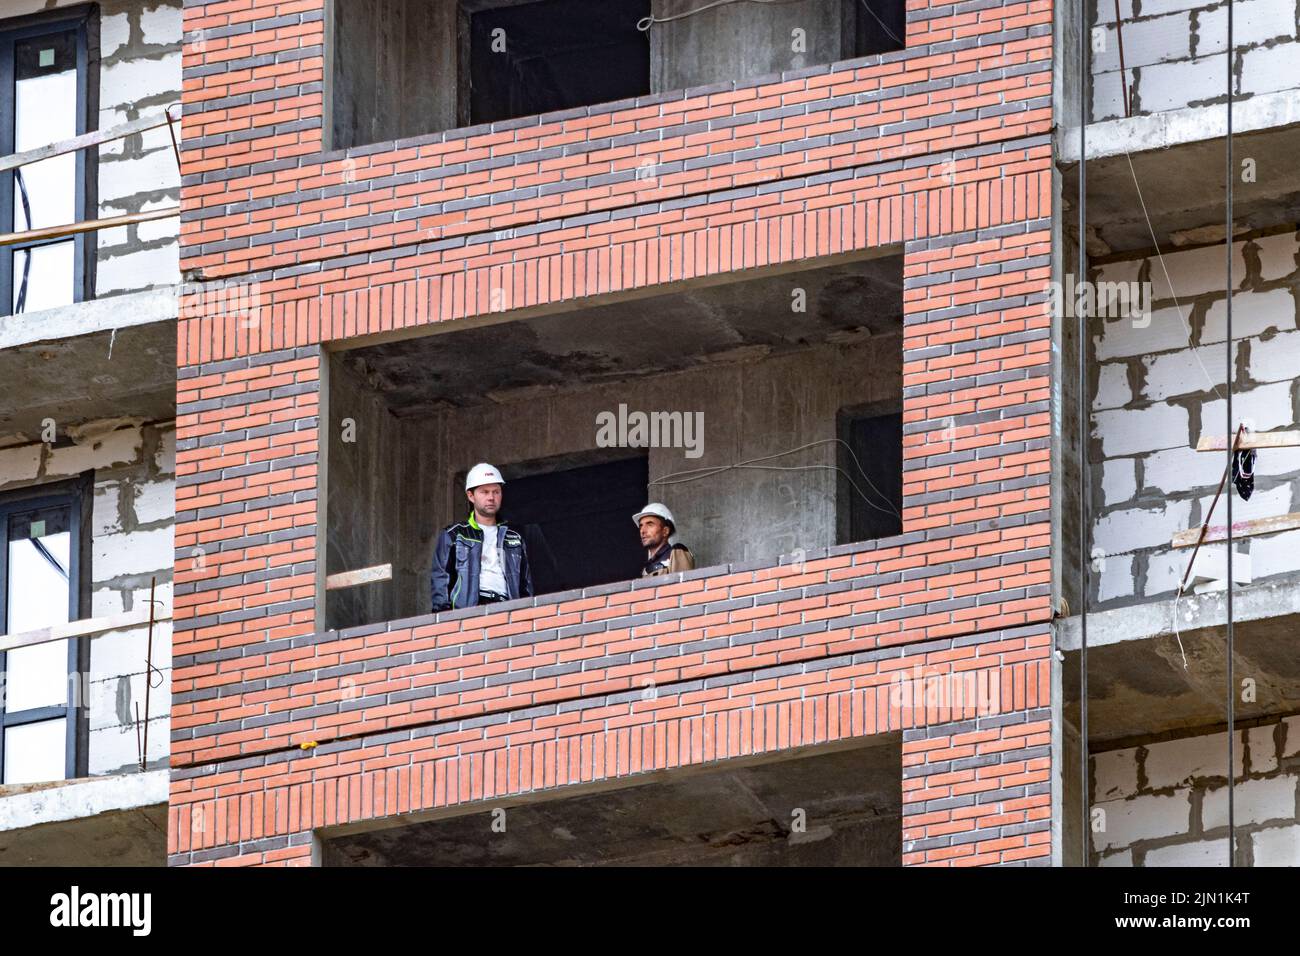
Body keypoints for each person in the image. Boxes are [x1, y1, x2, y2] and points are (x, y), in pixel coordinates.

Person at [431, 463, 533, 612]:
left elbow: (525, 585)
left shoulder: (514, 538)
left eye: (496, 492)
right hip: (470, 611)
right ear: (471, 496)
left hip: (507, 609)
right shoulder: (454, 535)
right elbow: (441, 580)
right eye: (484, 492)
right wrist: (444, 620)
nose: (491, 497)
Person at [635, 503, 695, 577]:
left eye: (650, 525)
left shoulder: (676, 553)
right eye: (641, 526)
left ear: (665, 531)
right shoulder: (646, 567)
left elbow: (683, 587)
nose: (642, 531)